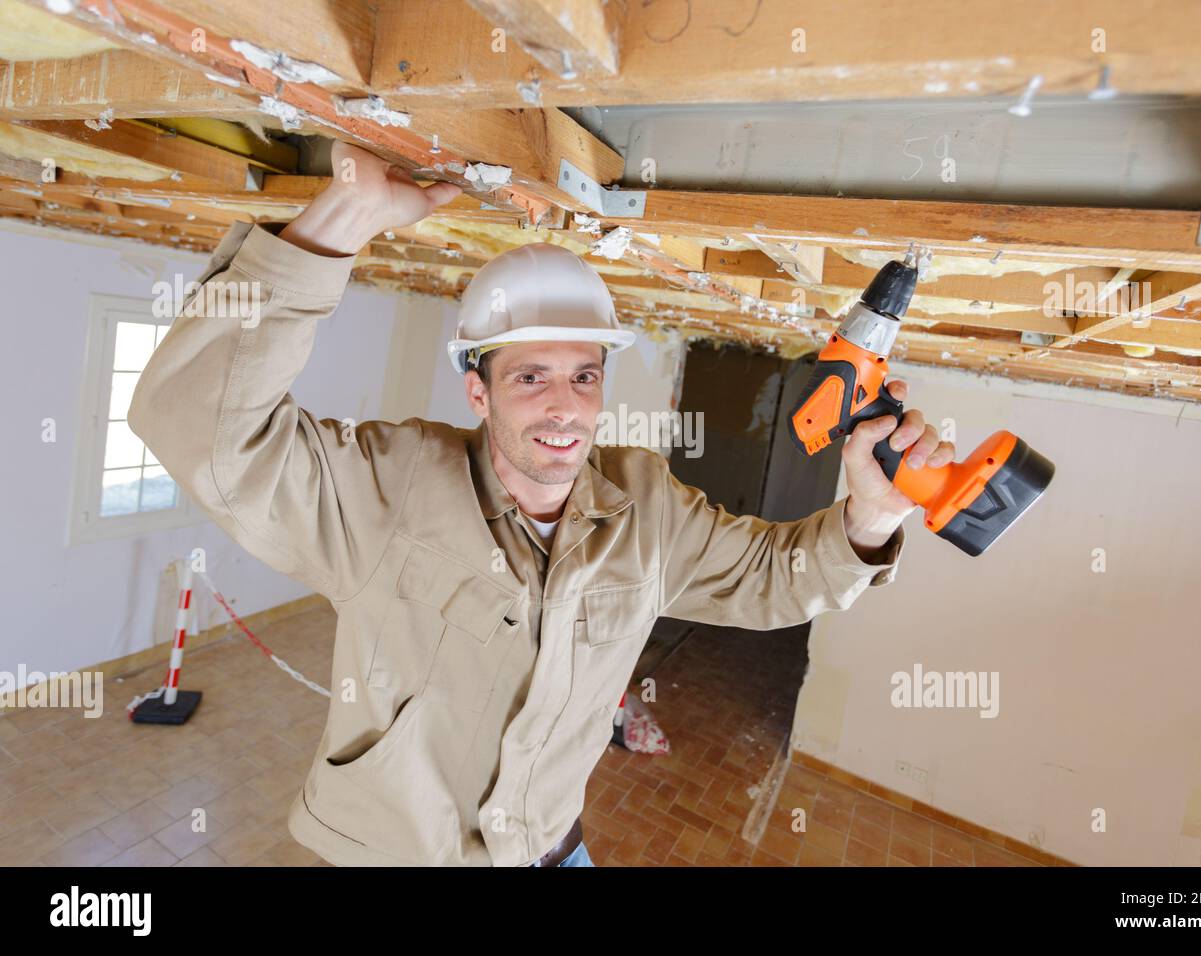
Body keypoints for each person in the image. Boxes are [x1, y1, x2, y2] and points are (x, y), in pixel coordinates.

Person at [128, 141, 955, 867]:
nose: (566, 407)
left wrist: (872, 513)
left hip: (554, 852)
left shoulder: (646, 505)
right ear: (478, 391)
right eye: (530, 376)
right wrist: (341, 220)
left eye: (585, 375)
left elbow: (777, 578)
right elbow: (195, 421)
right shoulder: (394, 486)